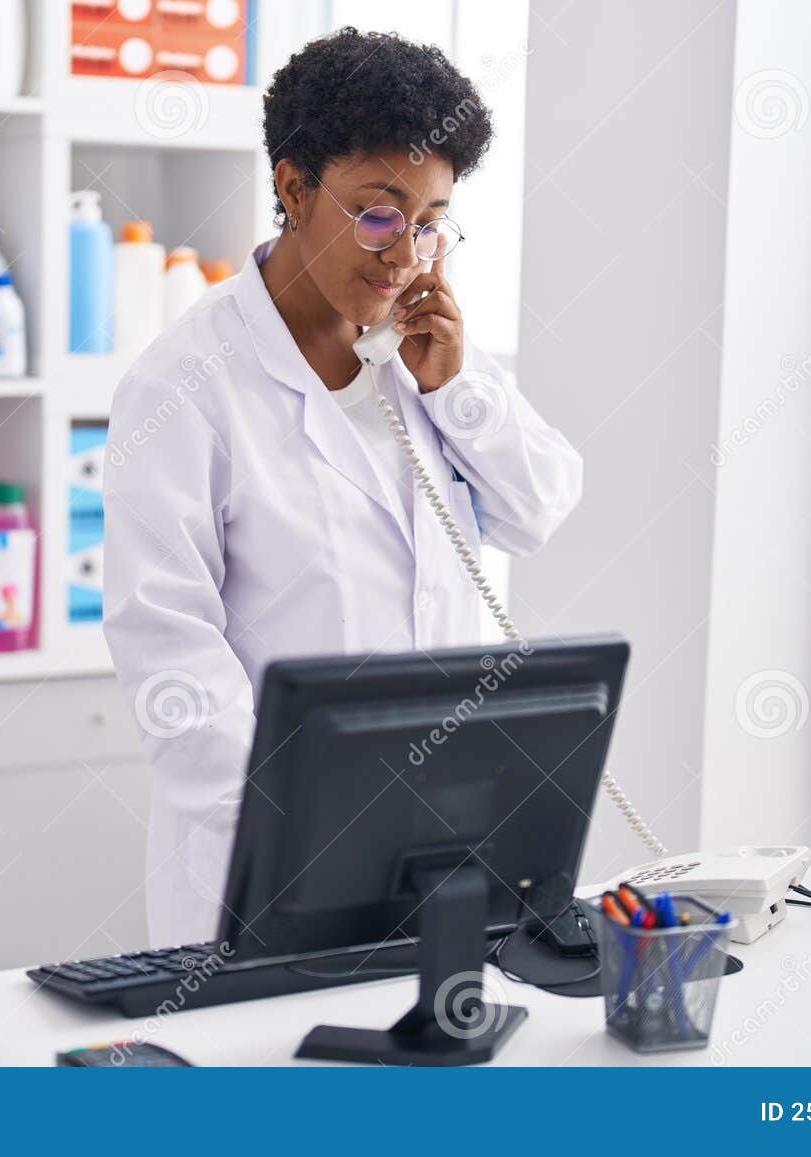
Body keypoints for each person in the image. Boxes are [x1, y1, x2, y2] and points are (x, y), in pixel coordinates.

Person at [103, 28, 584, 947]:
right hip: (266, 870)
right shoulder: (183, 387)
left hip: (436, 851)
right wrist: (293, 831)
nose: (405, 251)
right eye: (377, 212)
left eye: (431, 218)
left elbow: (537, 509)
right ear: (292, 189)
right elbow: (170, 652)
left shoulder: (420, 358)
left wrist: (457, 386)